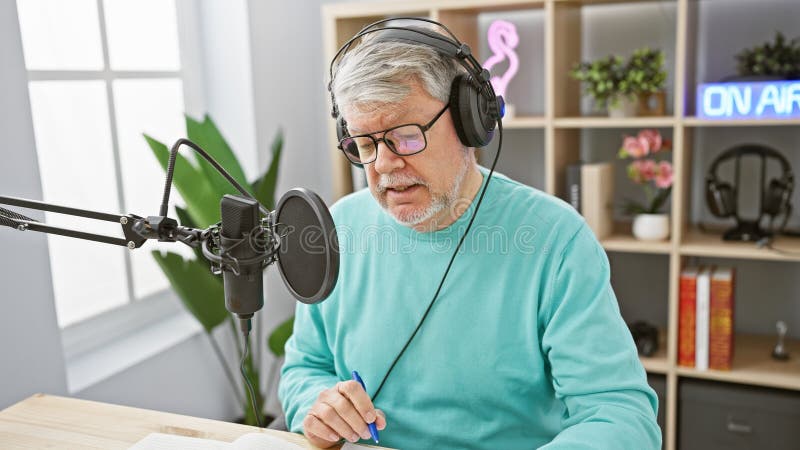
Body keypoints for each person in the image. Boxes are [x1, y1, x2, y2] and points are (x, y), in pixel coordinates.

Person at [278, 20, 661, 449]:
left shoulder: (555, 238)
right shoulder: (338, 228)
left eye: (405, 137)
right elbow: (305, 367)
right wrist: (320, 407)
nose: (383, 165)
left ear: (469, 123)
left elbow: (620, 415)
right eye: (365, 145)